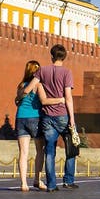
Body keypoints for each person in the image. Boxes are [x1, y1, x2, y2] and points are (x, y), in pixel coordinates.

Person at [31, 44, 78, 191]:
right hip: (63, 114)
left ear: (51, 56)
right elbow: (68, 97)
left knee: (49, 151)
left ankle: (51, 184)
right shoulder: (66, 72)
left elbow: (33, 88)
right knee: (71, 147)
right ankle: (68, 180)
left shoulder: (42, 71)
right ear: (64, 57)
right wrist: (72, 119)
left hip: (47, 117)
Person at [15, 60, 63, 192]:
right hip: (35, 118)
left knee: (23, 152)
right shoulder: (38, 85)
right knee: (39, 150)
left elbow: (17, 101)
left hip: (20, 118)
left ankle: (23, 183)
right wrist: (61, 99)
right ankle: (37, 179)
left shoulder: (21, 86)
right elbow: (44, 101)